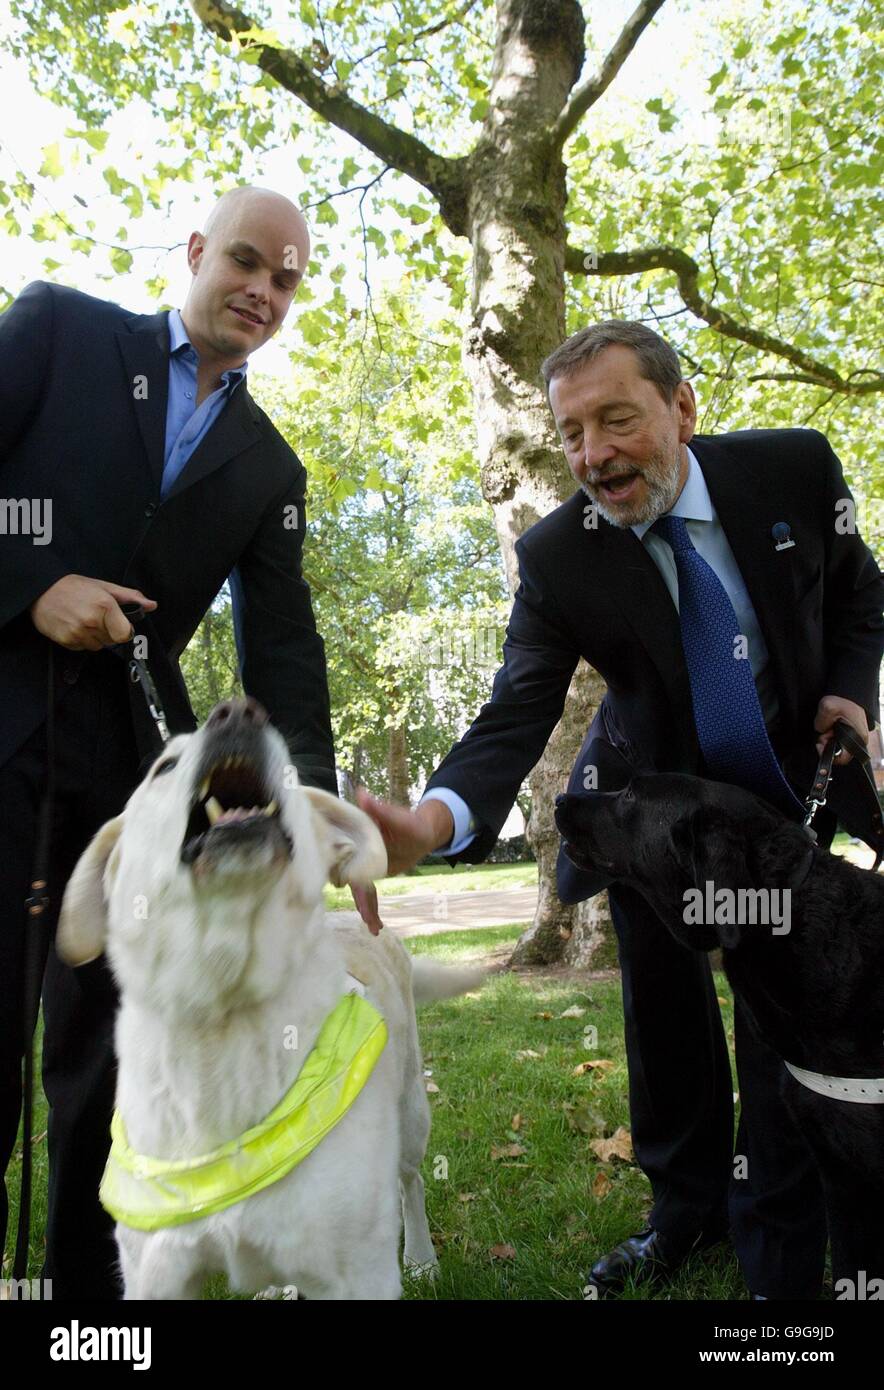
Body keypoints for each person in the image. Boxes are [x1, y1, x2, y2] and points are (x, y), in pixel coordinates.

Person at [357, 321, 884, 1300]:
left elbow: (860, 594)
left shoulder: (792, 469)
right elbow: (517, 705)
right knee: (663, 1013)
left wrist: (848, 693)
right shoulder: (558, 555)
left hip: (790, 791)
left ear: (680, 409)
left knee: (788, 1012)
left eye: (615, 419)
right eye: (569, 433)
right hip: (654, 811)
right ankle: (684, 1216)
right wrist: (430, 822)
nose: (591, 453)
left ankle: (787, 1221)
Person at [0, 186, 337, 1298]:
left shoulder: (269, 467)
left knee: (102, 1070)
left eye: (285, 279)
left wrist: (316, 819)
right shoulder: (55, 329)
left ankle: (89, 1314)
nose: (262, 290)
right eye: (245, 260)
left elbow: (285, 652)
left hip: (129, 791)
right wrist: (32, 582)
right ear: (193, 252)